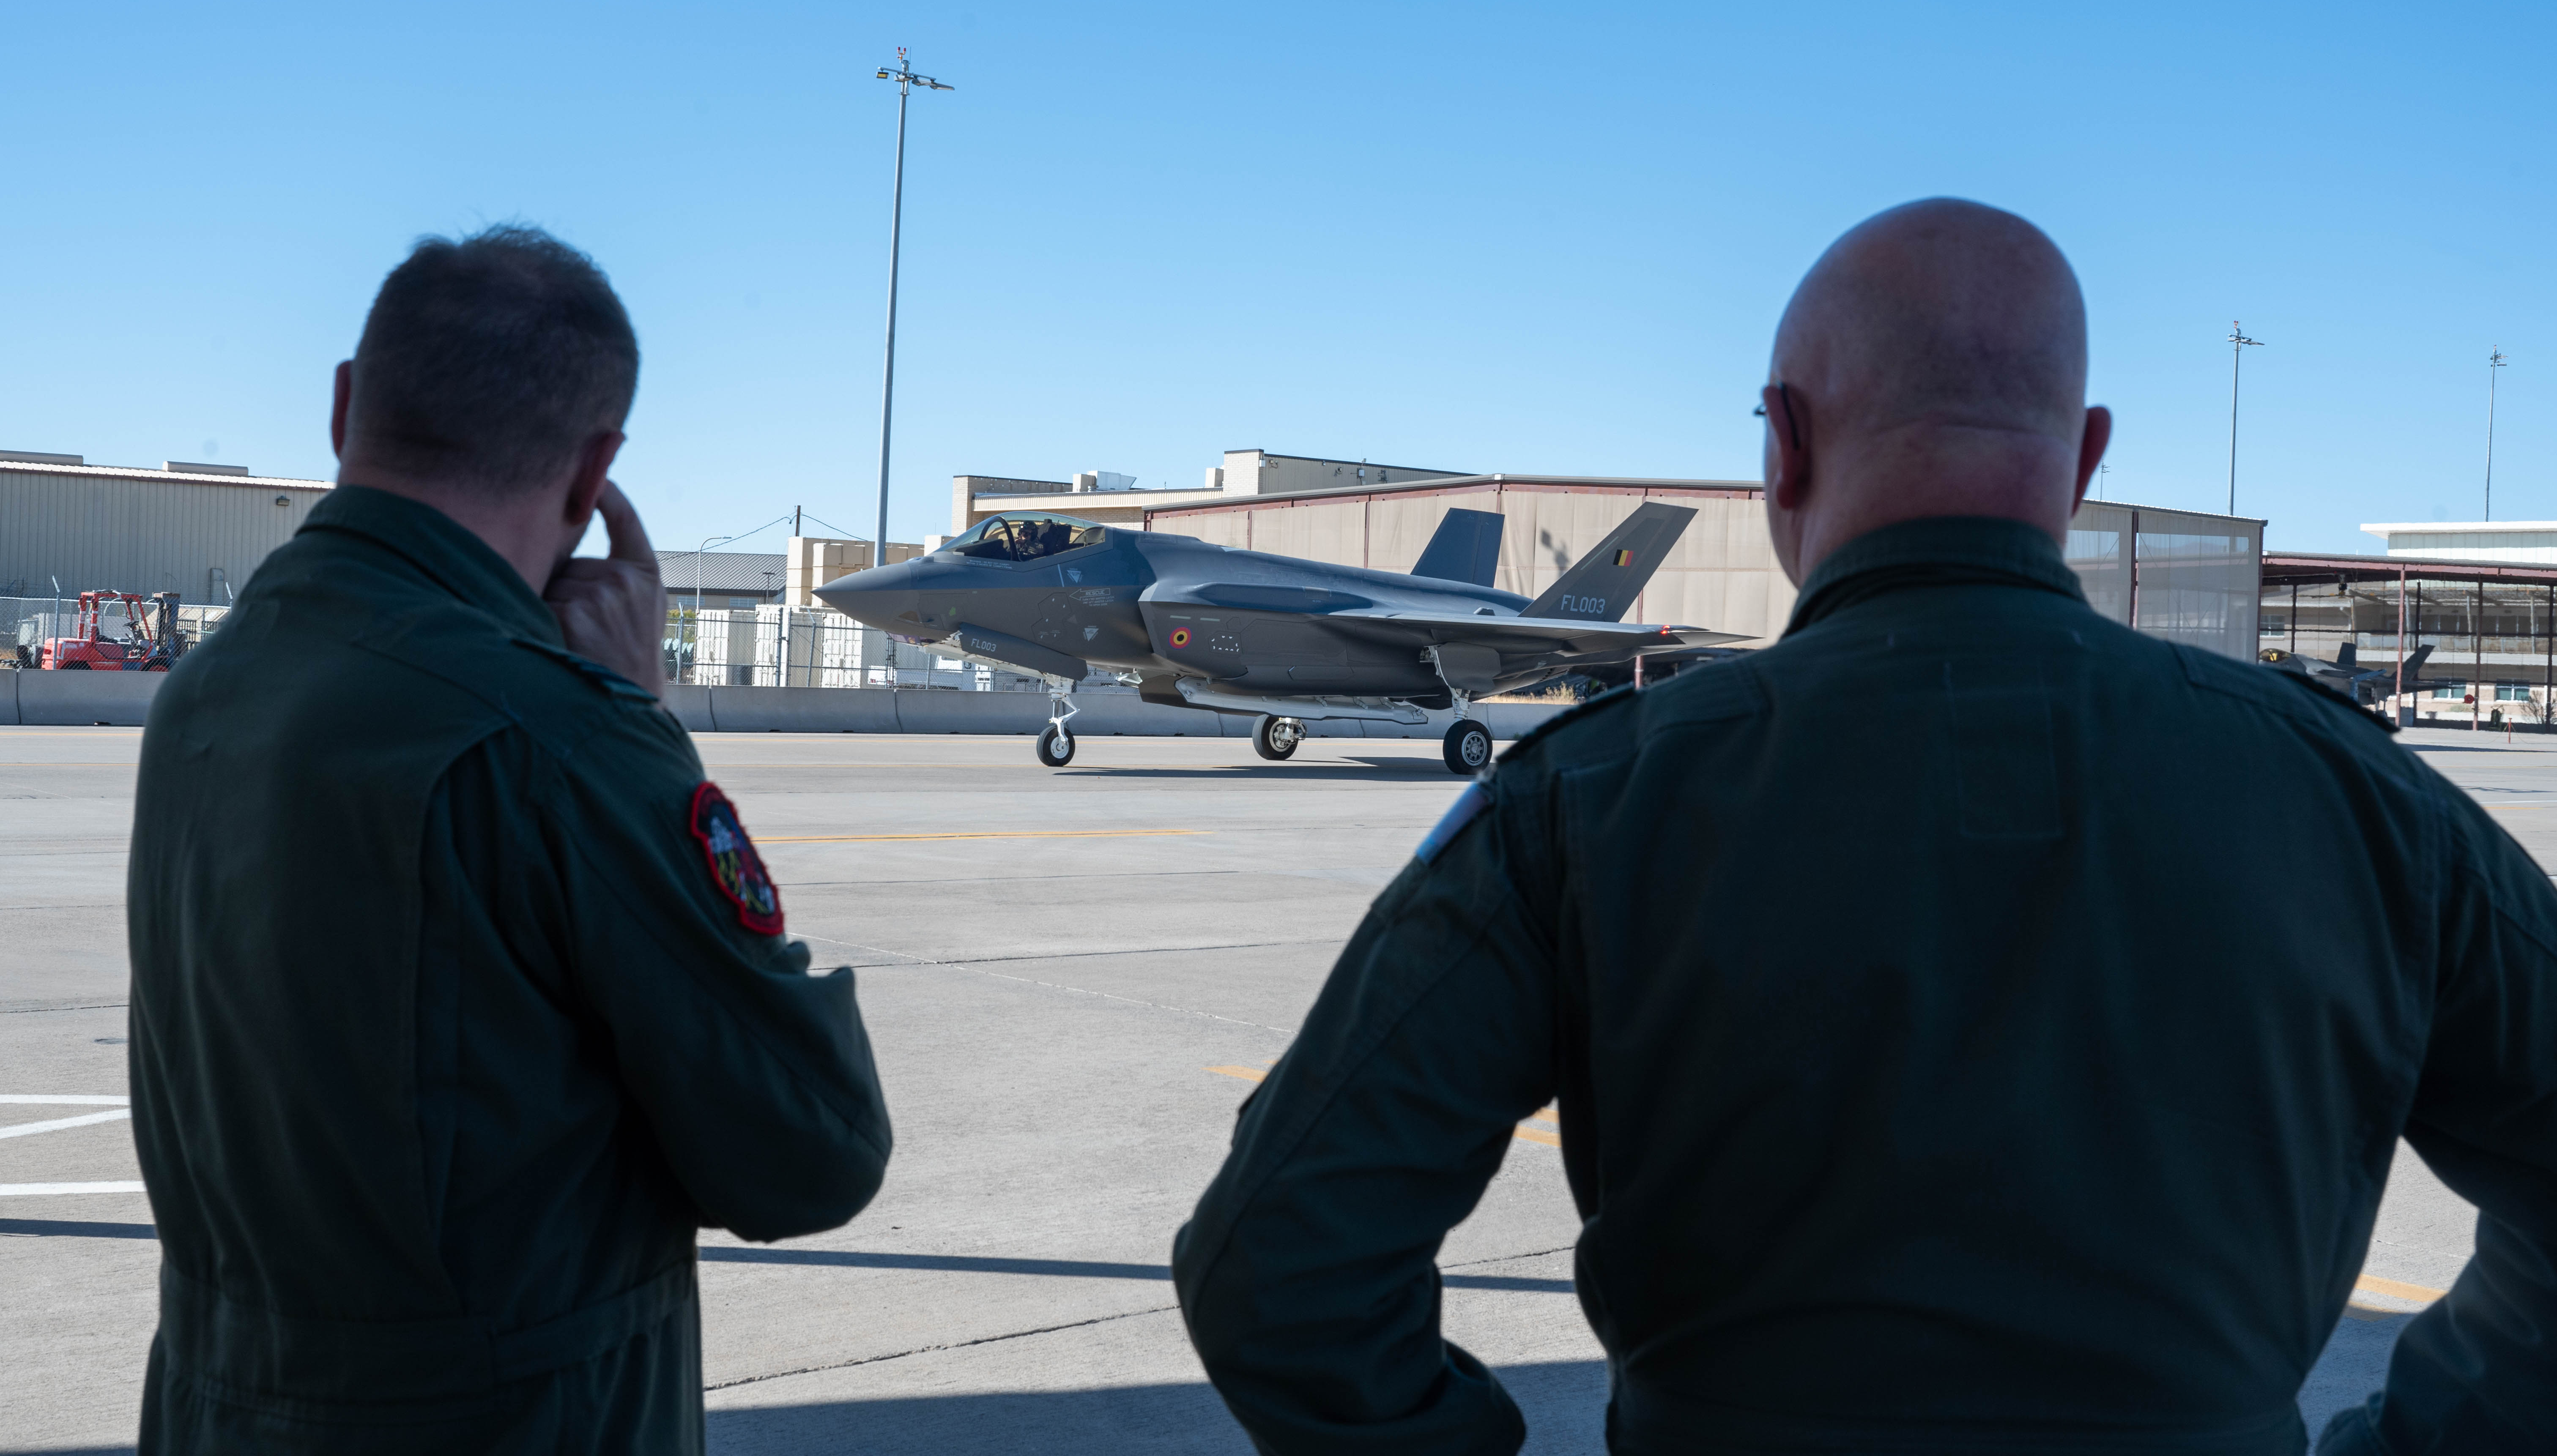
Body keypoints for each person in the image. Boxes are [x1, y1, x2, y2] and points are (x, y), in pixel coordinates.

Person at [1171, 199, 2557, 1453]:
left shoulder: (1587, 805)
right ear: (2083, 461)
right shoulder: (2371, 807)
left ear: (1783, 441)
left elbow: (1274, 1266)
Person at [127, 227, 893, 1454]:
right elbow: (812, 1151)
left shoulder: (209, 690)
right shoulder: (560, 736)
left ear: (343, 408)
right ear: (595, 477)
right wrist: (642, 725)